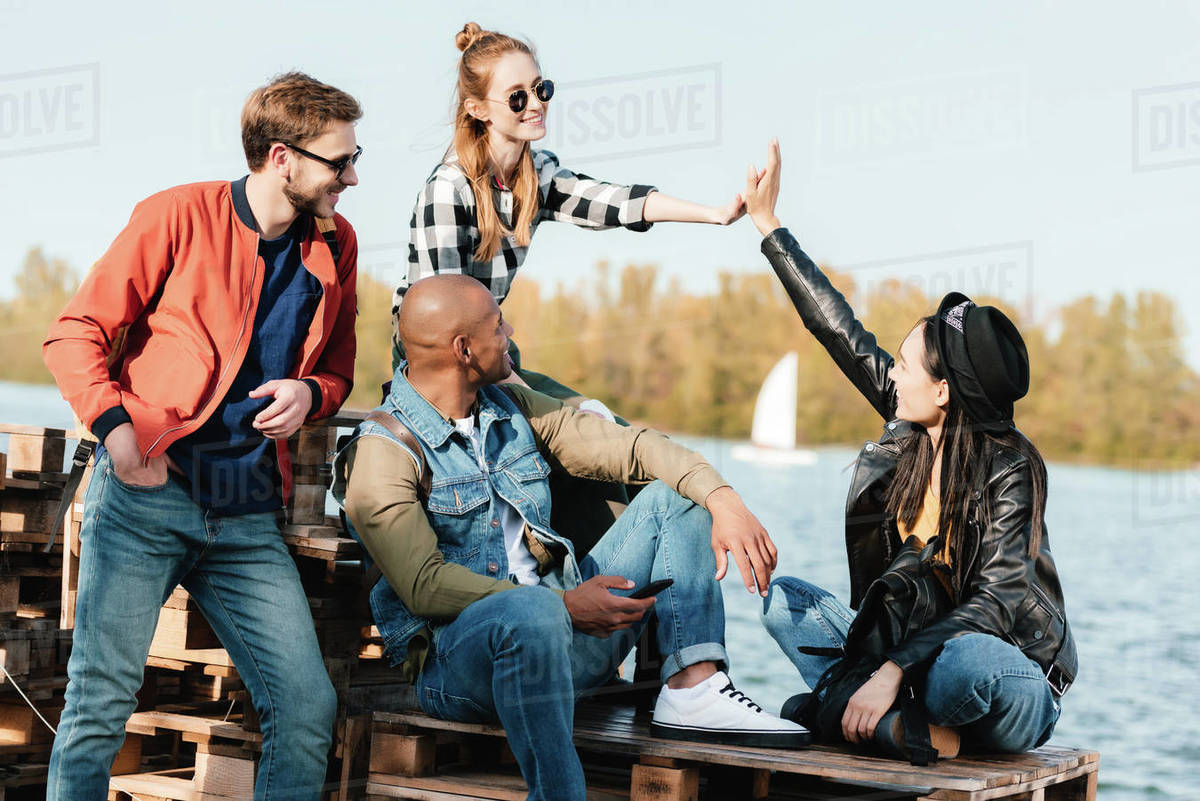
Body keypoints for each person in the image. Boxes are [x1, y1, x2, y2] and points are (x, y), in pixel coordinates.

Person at [335, 274, 809, 801]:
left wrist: (723, 499)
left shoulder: (510, 407)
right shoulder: (383, 450)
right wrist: (562, 606)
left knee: (675, 495)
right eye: (498, 324)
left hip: (570, 646)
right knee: (530, 612)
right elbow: (424, 586)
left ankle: (693, 687)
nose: (510, 332)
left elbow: (632, 448)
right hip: (461, 674)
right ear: (463, 349)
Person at [41, 72, 362, 799]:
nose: (351, 176)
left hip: (247, 516)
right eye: (339, 162)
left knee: (307, 704)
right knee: (99, 703)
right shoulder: (176, 216)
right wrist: (119, 433)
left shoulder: (334, 245)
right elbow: (74, 333)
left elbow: (339, 370)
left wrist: (311, 392)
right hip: (147, 498)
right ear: (282, 158)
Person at [743, 141, 1077, 757]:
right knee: (786, 604)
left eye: (901, 363)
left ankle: (855, 711)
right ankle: (901, 725)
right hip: (914, 653)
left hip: (1009, 667)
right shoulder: (910, 430)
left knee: (963, 667)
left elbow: (997, 602)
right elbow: (837, 329)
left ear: (944, 389)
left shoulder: (1012, 466)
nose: (889, 373)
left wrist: (890, 670)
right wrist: (770, 226)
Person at [394, 21, 747, 387]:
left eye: (540, 89)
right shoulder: (448, 191)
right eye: (518, 97)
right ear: (478, 109)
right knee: (562, 423)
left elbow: (618, 203)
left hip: (489, 345)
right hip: (432, 358)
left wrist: (715, 215)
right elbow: (444, 321)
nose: (536, 105)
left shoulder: (538, 176)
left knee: (599, 419)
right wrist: (524, 393)